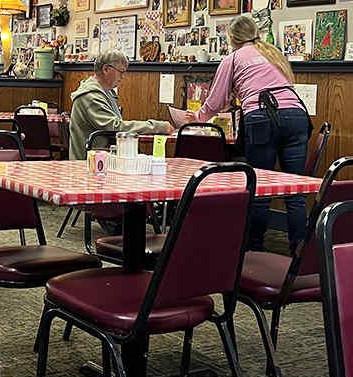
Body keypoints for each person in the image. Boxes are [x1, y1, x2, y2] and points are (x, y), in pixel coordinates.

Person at [187, 15, 311, 253]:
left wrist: (198, 118)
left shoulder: (233, 58)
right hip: (297, 116)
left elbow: (216, 100)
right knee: (295, 189)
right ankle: (300, 254)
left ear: (231, 38)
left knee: (260, 187)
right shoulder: (274, 54)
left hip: (262, 117)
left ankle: (254, 253)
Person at [69, 51, 173, 159]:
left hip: (102, 159)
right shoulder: (90, 97)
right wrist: (156, 126)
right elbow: (115, 127)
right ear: (106, 69)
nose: (123, 76)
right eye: (121, 72)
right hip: (88, 165)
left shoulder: (105, 92)